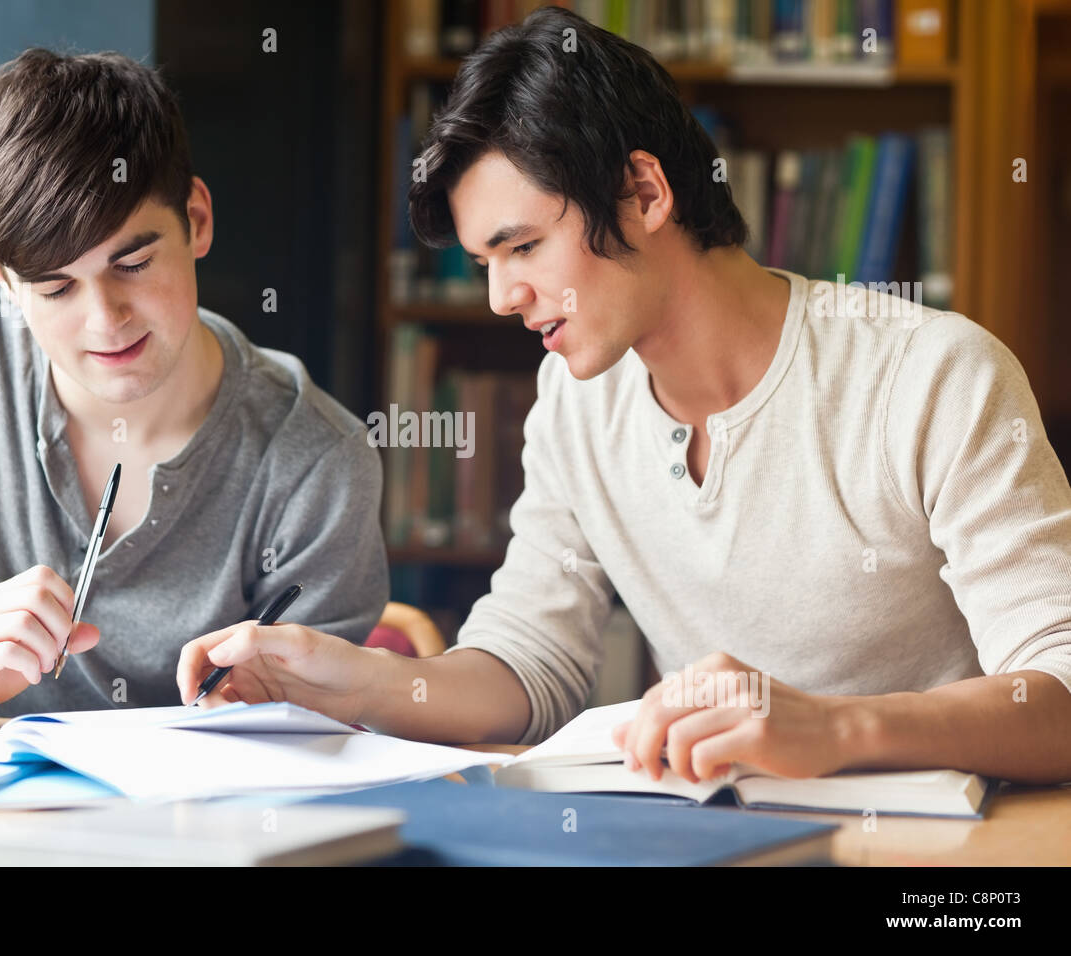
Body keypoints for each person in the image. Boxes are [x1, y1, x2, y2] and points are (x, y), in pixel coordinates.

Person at [178, 7, 1071, 785]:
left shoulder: (933, 377)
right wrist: (334, 677)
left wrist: (838, 729)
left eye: (522, 248)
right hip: (724, 838)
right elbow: (530, 668)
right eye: (485, 263)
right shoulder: (576, 400)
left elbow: (1060, 689)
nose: (500, 297)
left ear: (645, 191)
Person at [0, 49, 387, 730]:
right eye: (55, 286)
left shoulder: (317, 458)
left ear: (198, 220)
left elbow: (325, 739)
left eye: (134, 262)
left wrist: (273, 710)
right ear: (3, 277)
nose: (106, 321)